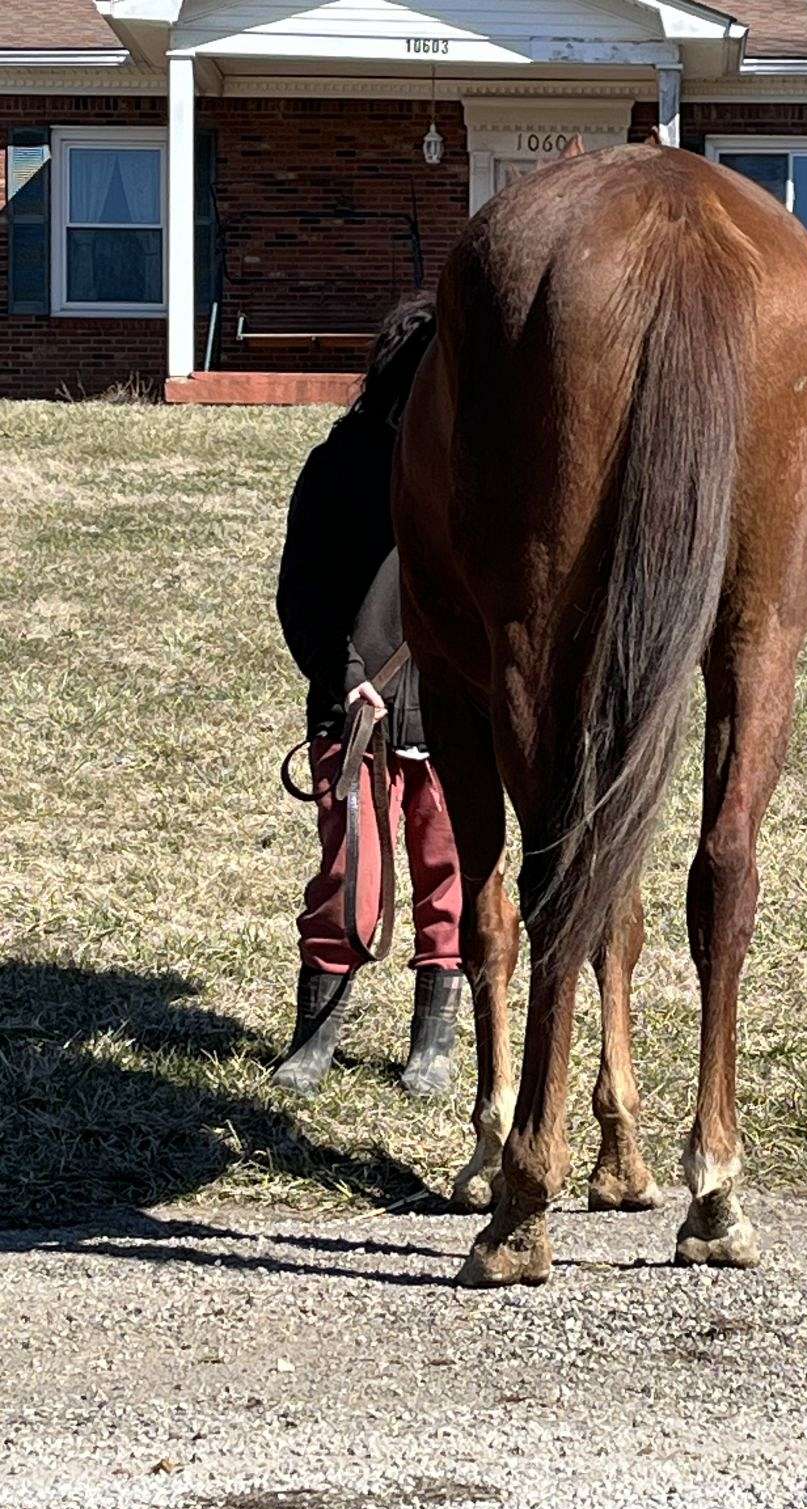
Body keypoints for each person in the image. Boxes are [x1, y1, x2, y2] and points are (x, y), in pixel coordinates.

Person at [271, 296, 464, 1098]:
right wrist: (347, 678)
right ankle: (315, 1036)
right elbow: (303, 593)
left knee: (451, 874)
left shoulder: (474, 472)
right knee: (352, 877)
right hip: (353, 714)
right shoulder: (339, 465)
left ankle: (435, 1042)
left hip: (451, 712)